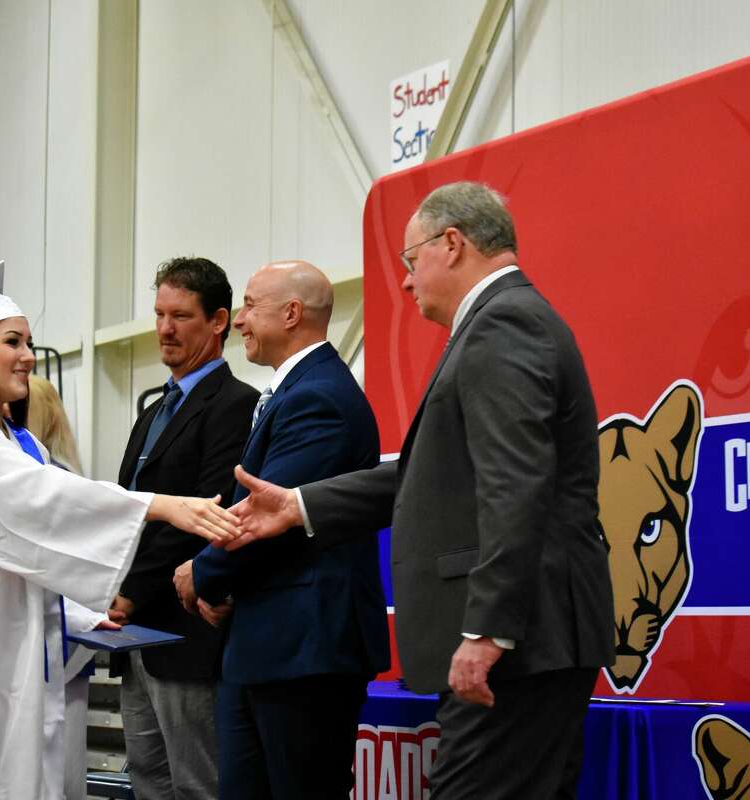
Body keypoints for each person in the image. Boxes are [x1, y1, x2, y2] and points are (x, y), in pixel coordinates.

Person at [225, 183, 616, 799]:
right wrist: (301, 505)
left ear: (452, 244)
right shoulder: (497, 325)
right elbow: (428, 477)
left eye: (410, 262)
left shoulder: (503, 324)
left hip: (520, 643)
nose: (405, 283)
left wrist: (488, 630)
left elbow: (516, 488)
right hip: (529, 638)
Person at [0, 262, 239, 800]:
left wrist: (84, 614)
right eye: (13, 342)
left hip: (4, 657)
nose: (29, 356)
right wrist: (159, 505)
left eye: (29, 341)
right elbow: (45, 504)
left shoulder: (14, 439)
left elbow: (30, 552)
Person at [172, 261, 390, 800]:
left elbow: (272, 518)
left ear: (291, 313)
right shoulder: (295, 393)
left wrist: (202, 572)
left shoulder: (321, 399)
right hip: (270, 644)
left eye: (250, 305)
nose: (239, 319)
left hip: (304, 649)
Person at [109, 257, 259, 800]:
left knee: (198, 785)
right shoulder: (152, 411)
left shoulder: (237, 405)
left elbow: (200, 513)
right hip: (136, 636)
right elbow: (130, 512)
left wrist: (128, 592)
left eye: (180, 316)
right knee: (149, 782)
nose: (165, 330)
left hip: (186, 633)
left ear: (219, 321)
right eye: (158, 314)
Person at [24, 374, 89, 800]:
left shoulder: (51, 479)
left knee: (56, 769)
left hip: (59, 638)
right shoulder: (57, 474)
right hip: (58, 638)